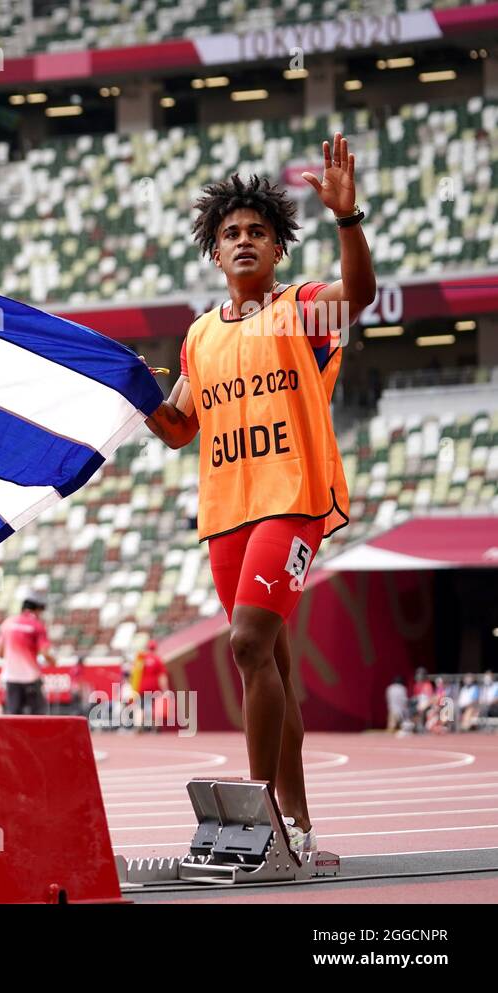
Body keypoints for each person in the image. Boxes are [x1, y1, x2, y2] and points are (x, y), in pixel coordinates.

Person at [143, 134, 376, 855]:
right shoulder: (198, 337)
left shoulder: (300, 308)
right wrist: (129, 393)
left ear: (276, 249)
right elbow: (178, 427)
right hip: (225, 515)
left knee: (247, 642)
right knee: (266, 662)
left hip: (295, 502)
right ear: (214, 254)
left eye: (257, 232)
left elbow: (359, 294)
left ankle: (257, 821)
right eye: (230, 234)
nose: (243, 241)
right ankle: (299, 826)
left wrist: (347, 220)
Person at [0, 596, 57, 715]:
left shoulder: (7, 623)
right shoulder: (37, 625)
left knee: (14, 715)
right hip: (31, 678)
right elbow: (45, 652)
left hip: (11, 678)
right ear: (35, 611)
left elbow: (0, 653)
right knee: (38, 715)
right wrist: (53, 661)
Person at [132, 638, 170, 731]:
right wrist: (165, 690)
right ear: (155, 649)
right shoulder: (158, 660)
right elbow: (162, 676)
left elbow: (135, 674)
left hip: (142, 687)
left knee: (140, 707)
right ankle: (156, 728)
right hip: (154, 687)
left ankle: (138, 726)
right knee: (156, 707)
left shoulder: (141, 659)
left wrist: (134, 688)